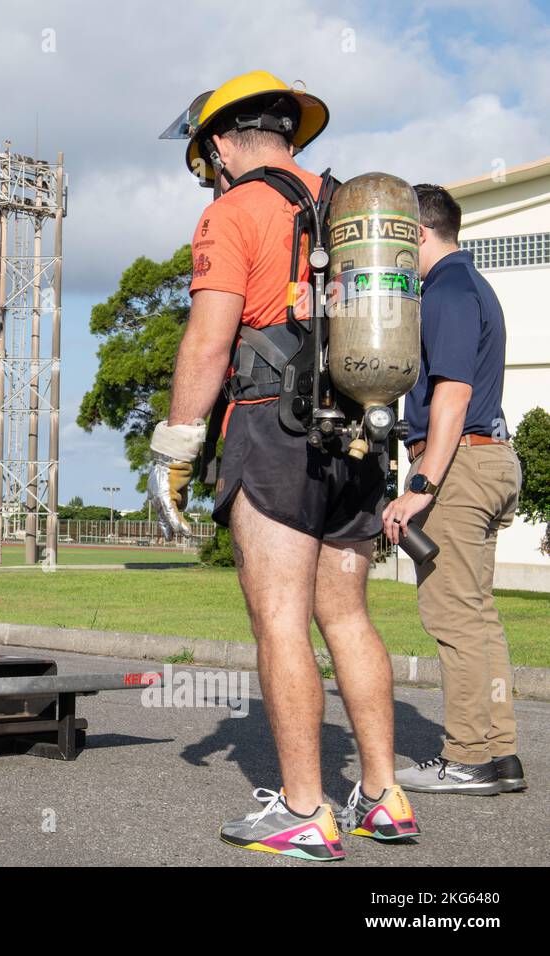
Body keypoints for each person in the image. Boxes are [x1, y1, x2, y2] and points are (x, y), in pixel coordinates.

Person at [155, 70, 419, 861]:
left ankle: (304, 810)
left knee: (280, 617)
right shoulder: (345, 205)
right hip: (360, 428)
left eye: (208, 158)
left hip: (276, 424)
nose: (210, 171)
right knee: (346, 616)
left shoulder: (231, 210)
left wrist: (177, 443)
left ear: (225, 144)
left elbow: (209, 339)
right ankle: (382, 794)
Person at [384, 185, 525, 796]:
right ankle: (498, 755)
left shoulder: (445, 288)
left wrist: (421, 484)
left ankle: (468, 756)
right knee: (478, 616)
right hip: (487, 460)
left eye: (394, 235)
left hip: (461, 464)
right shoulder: (471, 284)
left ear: (418, 232)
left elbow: (453, 392)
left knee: (452, 617)